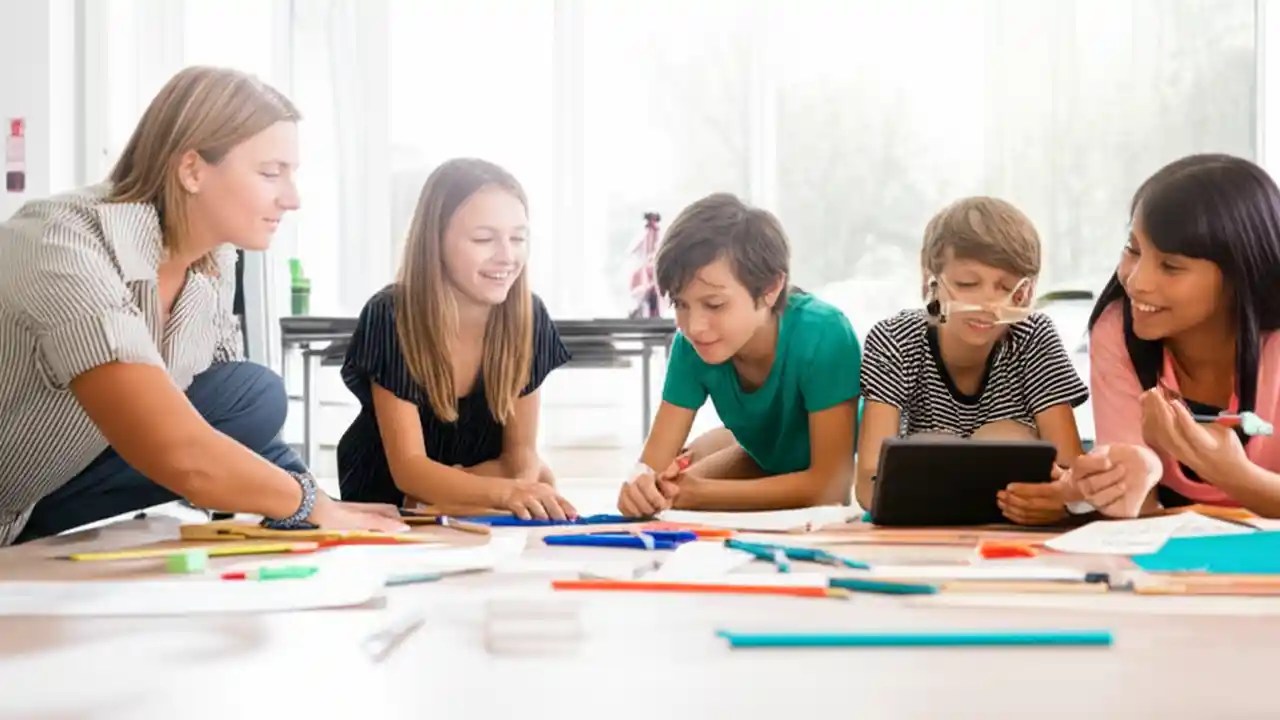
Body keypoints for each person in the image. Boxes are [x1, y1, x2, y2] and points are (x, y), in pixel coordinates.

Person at [0, 66, 406, 546]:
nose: (292, 198)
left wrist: (319, 507)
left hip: (43, 495)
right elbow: (175, 448)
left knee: (252, 394)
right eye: (271, 173)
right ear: (192, 170)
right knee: (228, 411)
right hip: (18, 488)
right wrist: (306, 503)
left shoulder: (213, 263)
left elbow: (229, 420)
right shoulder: (61, 244)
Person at [337, 158, 575, 521]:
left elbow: (522, 457)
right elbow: (410, 471)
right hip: (386, 494)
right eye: (483, 239)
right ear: (436, 241)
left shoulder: (528, 315)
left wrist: (479, 489)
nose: (507, 256)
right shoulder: (392, 314)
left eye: (518, 238)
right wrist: (505, 488)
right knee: (536, 481)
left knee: (541, 476)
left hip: (477, 491)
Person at [615, 193, 861, 516]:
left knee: (687, 488)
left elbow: (831, 486)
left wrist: (703, 494)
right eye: (680, 304)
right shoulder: (690, 345)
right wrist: (637, 488)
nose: (694, 326)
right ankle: (721, 443)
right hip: (763, 455)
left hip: (832, 469)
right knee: (667, 488)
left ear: (771, 289)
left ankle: (720, 444)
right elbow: (649, 468)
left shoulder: (825, 334)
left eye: (714, 305)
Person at [854, 197, 1089, 525]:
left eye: (1006, 287)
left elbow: (1070, 469)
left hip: (1016, 524)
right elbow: (868, 480)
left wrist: (1061, 500)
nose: (988, 303)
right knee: (933, 445)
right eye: (967, 284)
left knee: (1006, 436)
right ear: (930, 277)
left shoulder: (1034, 336)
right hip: (926, 525)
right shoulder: (894, 339)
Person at [1071, 154, 1280, 517]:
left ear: (1241, 274)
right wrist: (1124, 484)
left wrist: (1234, 475)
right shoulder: (1117, 330)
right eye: (1133, 250)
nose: (1136, 282)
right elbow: (1136, 507)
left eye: (1170, 266)